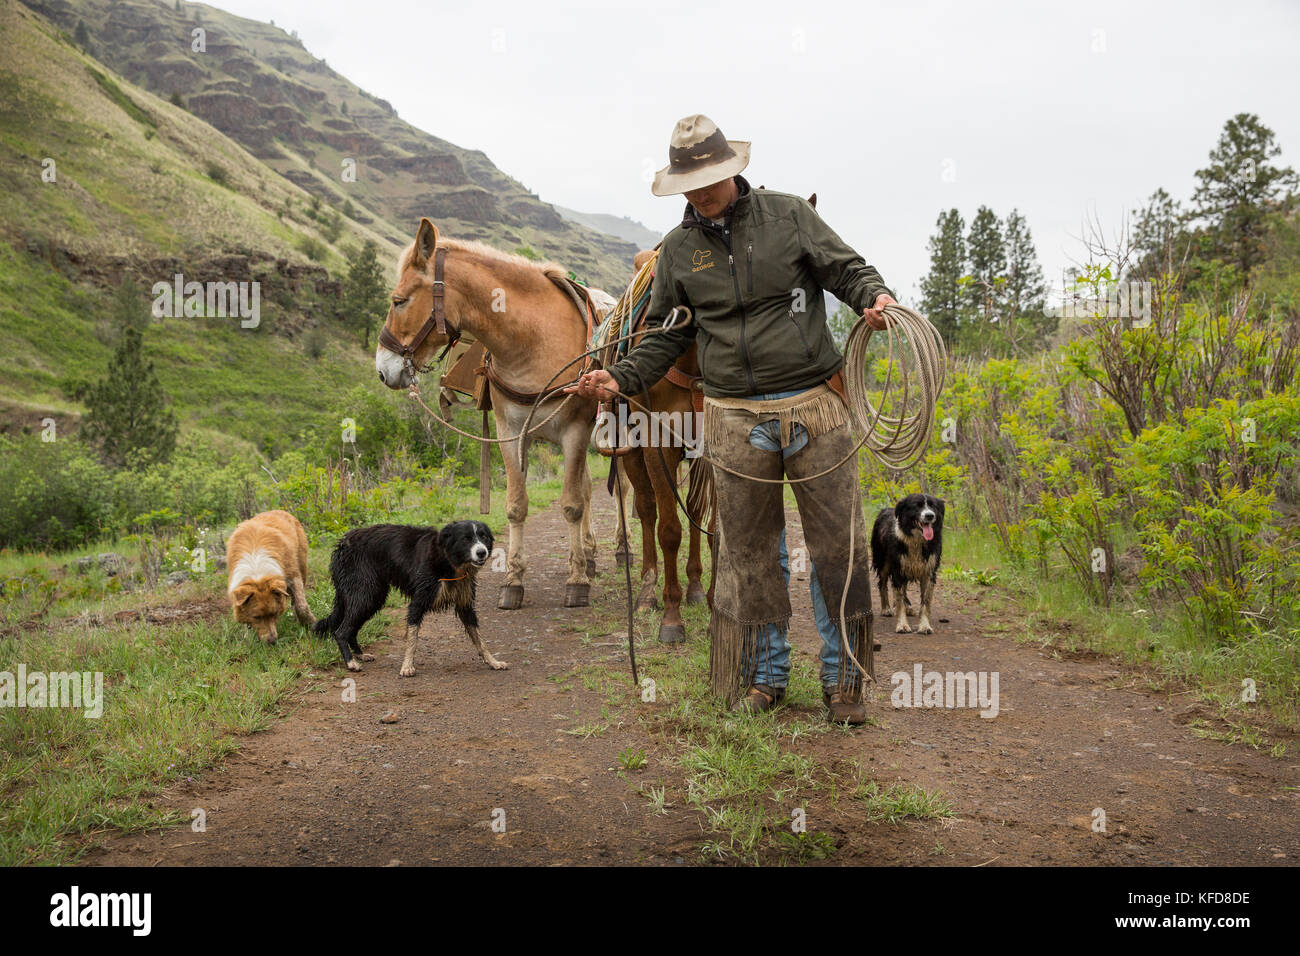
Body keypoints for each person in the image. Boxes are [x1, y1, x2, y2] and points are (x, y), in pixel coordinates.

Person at [566, 115, 895, 725]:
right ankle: (763, 674)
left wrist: (874, 297)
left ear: (734, 170)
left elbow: (846, 269)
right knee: (746, 551)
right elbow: (665, 335)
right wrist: (621, 376)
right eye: (688, 183)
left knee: (836, 546)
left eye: (710, 178)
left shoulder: (789, 216)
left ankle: (844, 677)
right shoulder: (679, 251)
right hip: (734, 417)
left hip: (813, 405)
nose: (700, 192)